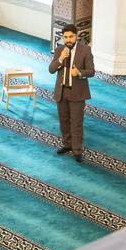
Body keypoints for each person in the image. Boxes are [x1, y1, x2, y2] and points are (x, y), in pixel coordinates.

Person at [49, 25, 94, 163]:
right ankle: (67, 145)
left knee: (76, 123)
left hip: (77, 93)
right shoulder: (59, 50)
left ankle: (77, 150)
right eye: (66, 37)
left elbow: (91, 71)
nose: (68, 40)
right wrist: (61, 59)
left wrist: (79, 73)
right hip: (61, 92)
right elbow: (51, 69)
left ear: (76, 36)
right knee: (64, 121)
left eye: (71, 36)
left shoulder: (85, 50)